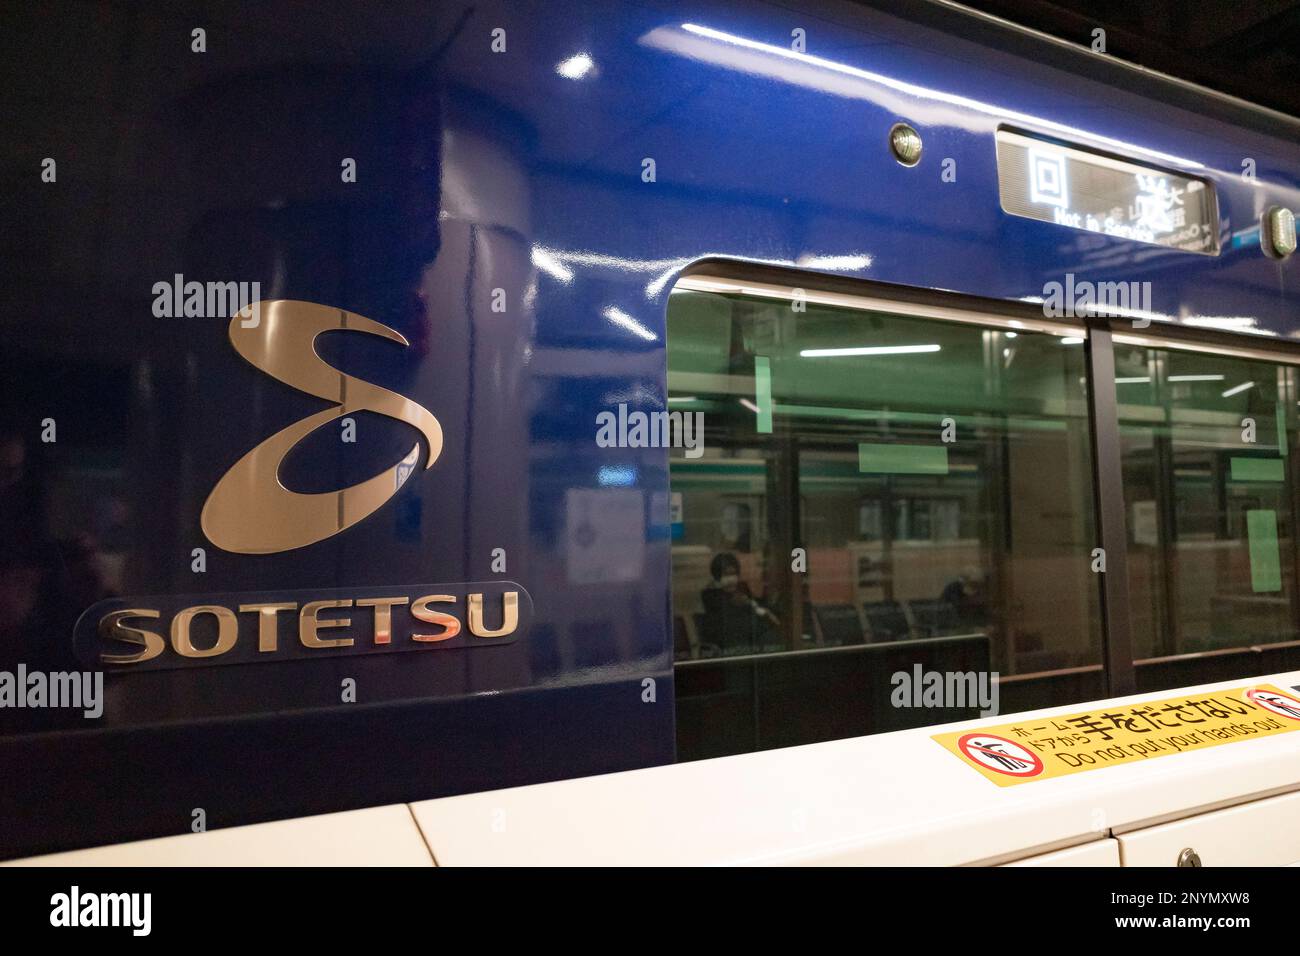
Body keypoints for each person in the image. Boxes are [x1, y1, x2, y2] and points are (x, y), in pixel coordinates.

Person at [700, 552, 778, 654]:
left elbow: (756, 606)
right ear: (717, 576)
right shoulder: (710, 594)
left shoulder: (742, 589)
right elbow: (720, 622)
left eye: (734, 574)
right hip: (728, 641)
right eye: (726, 574)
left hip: (752, 638)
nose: (731, 579)